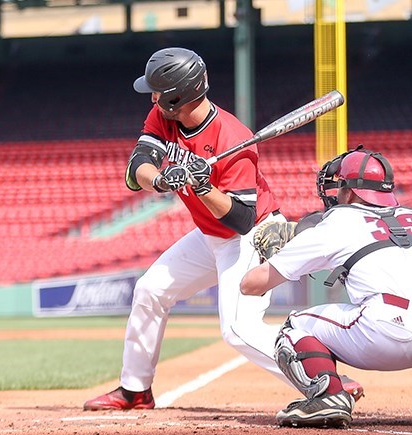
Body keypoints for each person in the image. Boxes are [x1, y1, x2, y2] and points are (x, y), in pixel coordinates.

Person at [83, 47, 362, 410]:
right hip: (210, 234)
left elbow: (242, 219)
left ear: (176, 96)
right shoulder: (163, 116)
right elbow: (139, 166)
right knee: (150, 290)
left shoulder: (232, 138)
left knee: (238, 330)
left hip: (251, 235)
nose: (151, 97)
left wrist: (203, 187)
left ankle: (325, 378)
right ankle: (135, 390)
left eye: (156, 91)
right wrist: (164, 180)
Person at [240, 148, 412, 428]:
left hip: (386, 335)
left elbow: (250, 286)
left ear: (349, 192)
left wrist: (268, 258)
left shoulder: (334, 225)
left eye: (340, 187)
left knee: (295, 326)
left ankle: (329, 396)